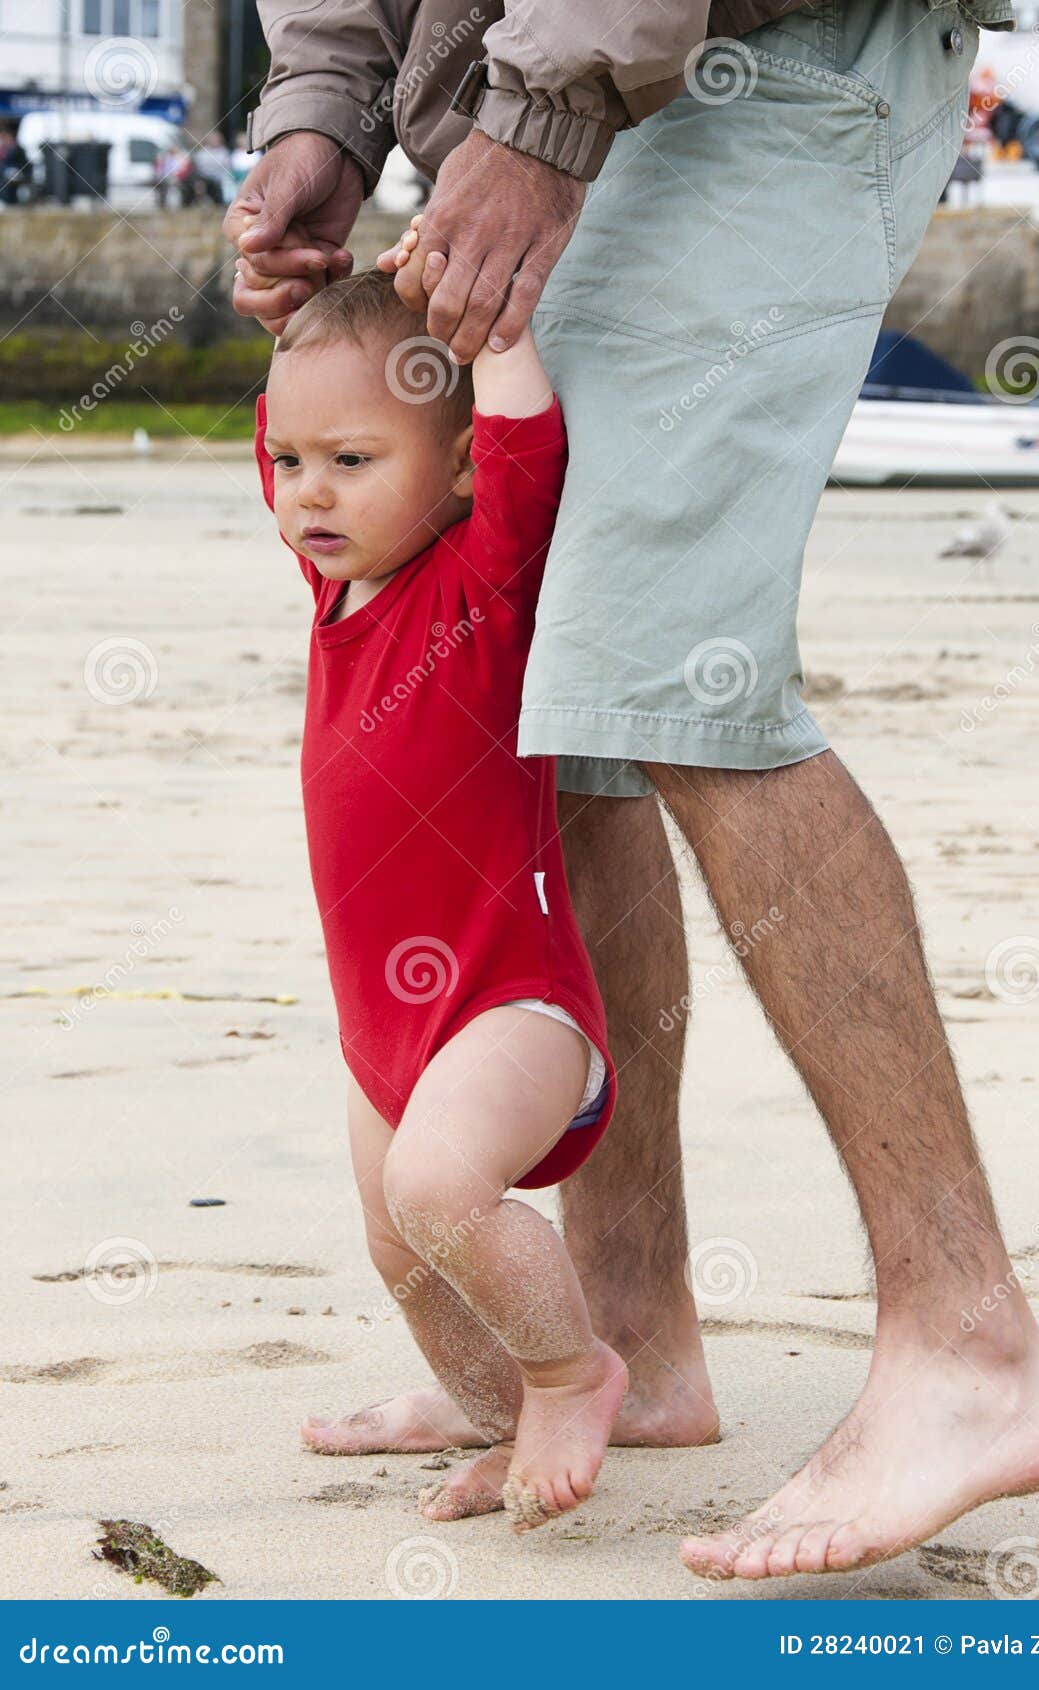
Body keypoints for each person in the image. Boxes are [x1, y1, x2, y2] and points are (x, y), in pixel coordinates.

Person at [228, 0, 1039, 1582]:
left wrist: (546, 105)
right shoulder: (329, 565)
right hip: (548, 68)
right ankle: (631, 1327)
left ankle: (969, 1345)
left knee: (679, 676)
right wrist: (328, 105)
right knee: (585, 697)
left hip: (750, 47)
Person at [255, 258, 628, 1529]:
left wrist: (500, 322)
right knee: (398, 1242)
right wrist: (285, 324)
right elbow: (298, 418)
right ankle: (482, 1396)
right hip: (385, 1028)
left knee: (438, 1192)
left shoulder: (480, 583)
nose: (311, 490)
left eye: (352, 462)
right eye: (292, 462)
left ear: (458, 467)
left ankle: (569, 1371)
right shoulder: (334, 584)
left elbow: (527, 453)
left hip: (508, 1002)